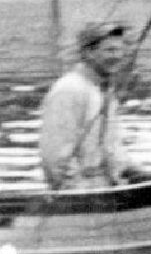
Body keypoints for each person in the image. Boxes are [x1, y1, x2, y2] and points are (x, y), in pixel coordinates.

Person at [37, 22, 131, 189]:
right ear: (89, 53)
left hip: (107, 187)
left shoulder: (106, 91)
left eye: (120, 50)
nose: (118, 56)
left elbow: (113, 148)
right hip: (80, 192)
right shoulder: (69, 89)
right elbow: (55, 157)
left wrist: (129, 175)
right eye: (110, 50)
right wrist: (77, 191)